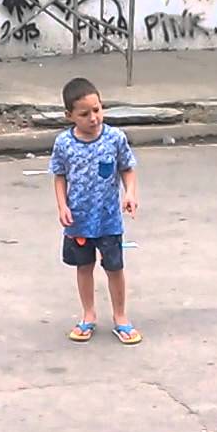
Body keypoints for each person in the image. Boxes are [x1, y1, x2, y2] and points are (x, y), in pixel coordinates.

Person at [50, 77, 142, 345]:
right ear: (69, 116)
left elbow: (127, 168)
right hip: (78, 221)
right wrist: (62, 206)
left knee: (115, 268)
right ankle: (88, 315)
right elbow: (59, 175)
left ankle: (121, 317)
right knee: (84, 266)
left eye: (97, 110)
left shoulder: (115, 138)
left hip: (109, 219)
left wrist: (130, 193)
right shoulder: (64, 144)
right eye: (84, 113)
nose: (93, 118)